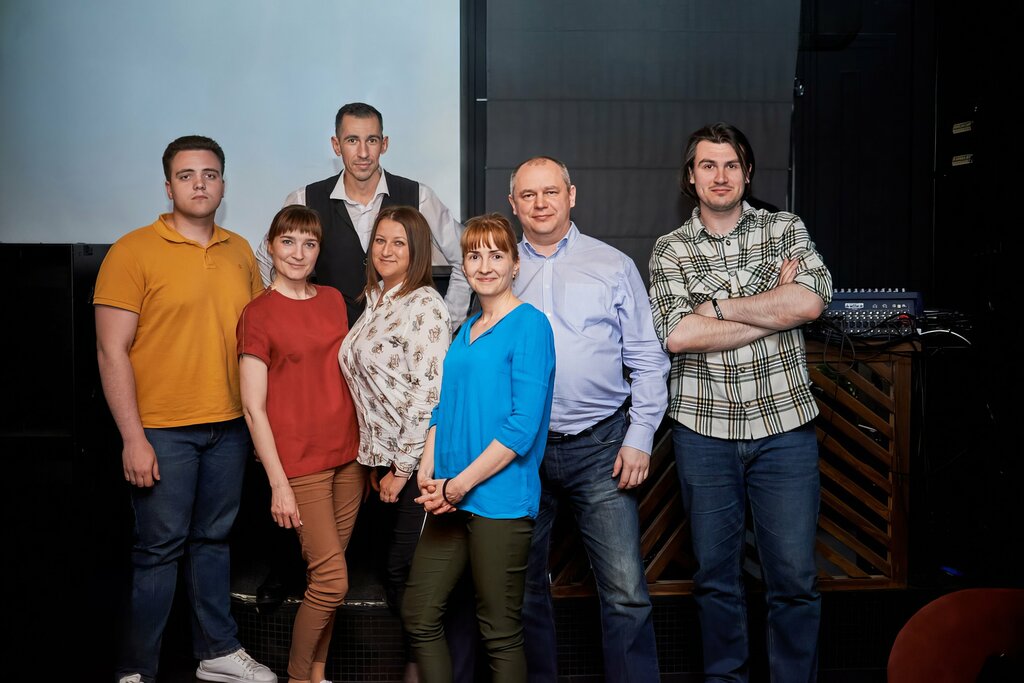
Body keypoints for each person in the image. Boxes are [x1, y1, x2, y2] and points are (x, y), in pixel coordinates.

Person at [648, 122, 833, 682]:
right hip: (703, 435)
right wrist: (772, 305)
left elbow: (810, 303)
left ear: (747, 173)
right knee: (715, 580)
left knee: (794, 579)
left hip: (785, 430)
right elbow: (678, 335)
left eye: (731, 165)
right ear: (691, 176)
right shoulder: (670, 248)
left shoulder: (784, 228)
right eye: (708, 165)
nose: (720, 176)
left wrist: (718, 307)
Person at [95, 136, 276, 683]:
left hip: (229, 427)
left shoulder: (240, 251)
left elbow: (256, 342)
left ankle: (217, 651)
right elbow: (111, 351)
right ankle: (137, 669)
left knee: (213, 542)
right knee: (158, 550)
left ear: (223, 184)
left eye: (210, 174)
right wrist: (133, 438)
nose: (200, 184)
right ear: (168, 185)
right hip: (162, 431)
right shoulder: (131, 251)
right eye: (187, 175)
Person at [511, 156, 669, 683]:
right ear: (513, 205)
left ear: (571, 195)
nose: (540, 204)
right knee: (522, 589)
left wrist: (640, 437)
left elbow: (647, 358)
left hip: (602, 447)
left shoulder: (612, 264)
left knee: (625, 590)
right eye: (528, 195)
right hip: (520, 452)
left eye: (550, 192)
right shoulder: (497, 267)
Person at [402, 213, 556, 682]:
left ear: (515, 263)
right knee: (419, 613)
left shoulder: (530, 326)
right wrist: (428, 467)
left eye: (496, 255)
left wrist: (458, 485)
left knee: (499, 632)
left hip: (498, 500)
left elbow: (522, 427)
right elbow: (443, 407)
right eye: (474, 255)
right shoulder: (465, 330)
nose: (484, 265)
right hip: (447, 496)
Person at [237, 205, 364, 683]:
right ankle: (297, 678)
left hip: (349, 457)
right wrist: (279, 484)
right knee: (332, 581)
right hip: (301, 464)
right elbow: (253, 408)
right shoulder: (257, 313)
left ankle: (318, 674)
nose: (298, 253)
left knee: (325, 581)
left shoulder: (332, 300)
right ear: (270, 247)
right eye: (288, 242)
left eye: (309, 244)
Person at [339, 205, 452, 682]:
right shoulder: (376, 298)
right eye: (380, 240)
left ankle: (422, 670)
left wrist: (401, 471)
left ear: (417, 251)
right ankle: (416, 664)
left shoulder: (424, 304)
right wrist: (375, 462)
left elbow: (429, 396)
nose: (386, 250)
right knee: (394, 573)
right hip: (382, 462)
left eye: (398, 243)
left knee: (407, 573)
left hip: (419, 463)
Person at [255, 102, 470, 328]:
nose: (363, 153)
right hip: (330, 341)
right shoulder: (304, 199)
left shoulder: (419, 196)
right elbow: (265, 258)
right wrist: (288, 316)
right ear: (336, 146)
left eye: (372, 140)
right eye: (352, 140)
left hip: (402, 343)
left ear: (384, 144)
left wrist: (445, 324)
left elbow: (465, 257)